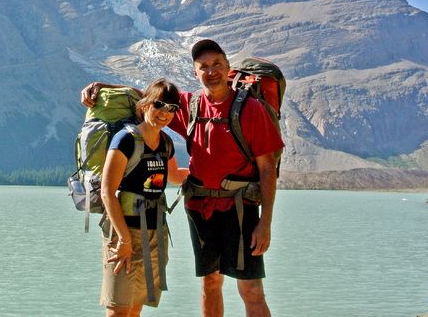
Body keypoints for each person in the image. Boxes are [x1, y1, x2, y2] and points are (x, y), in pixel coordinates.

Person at [82, 39, 284, 317]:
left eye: (217, 65)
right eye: (204, 67)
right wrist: (104, 87)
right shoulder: (188, 106)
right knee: (211, 283)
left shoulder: (250, 110)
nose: (211, 71)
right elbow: (148, 99)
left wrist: (266, 222)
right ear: (195, 72)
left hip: (241, 208)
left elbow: (266, 168)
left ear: (227, 68)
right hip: (200, 208)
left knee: (251, 290)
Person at [99, 79, 189, 317]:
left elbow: (175, 176)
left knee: (136, 306)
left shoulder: (166, 143)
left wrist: (213, 170)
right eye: (159, 104)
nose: (165, 113)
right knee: (118, 308)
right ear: (146, 104)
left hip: (155, 233)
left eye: (172, 108)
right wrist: (124, 240)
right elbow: (107, 191)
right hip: (125, 232)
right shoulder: (125, 140)